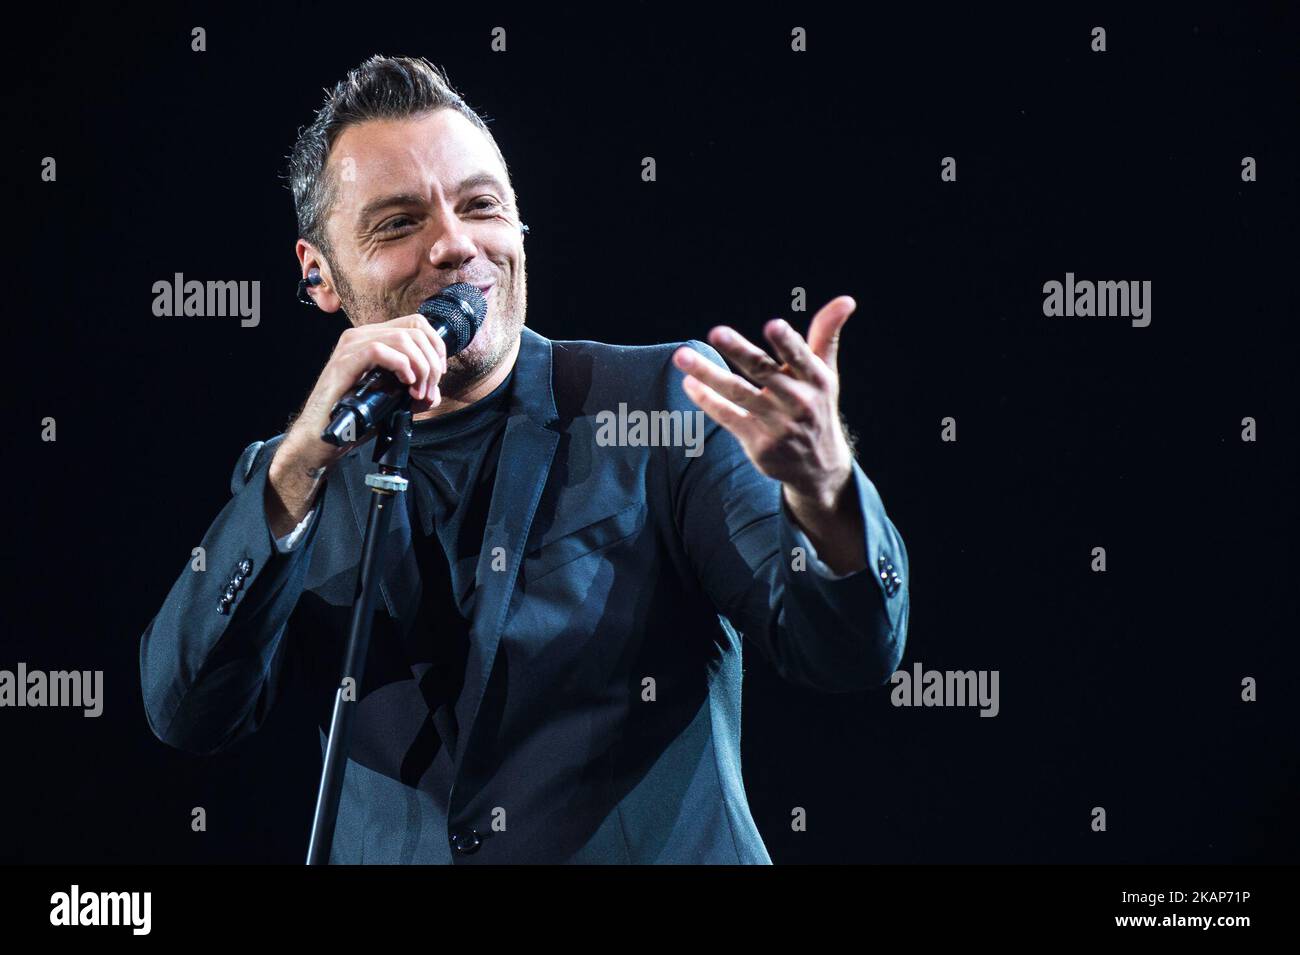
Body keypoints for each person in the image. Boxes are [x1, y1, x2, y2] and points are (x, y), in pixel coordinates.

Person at [139, 55, 909, 864]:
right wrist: (299, 465)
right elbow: (186, 709)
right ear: (319, 275)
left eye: (481, 207)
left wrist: (825, 494)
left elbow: (844, 649)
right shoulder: (294, 479)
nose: (454, 245)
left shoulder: (658, 404)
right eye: (399, 223)